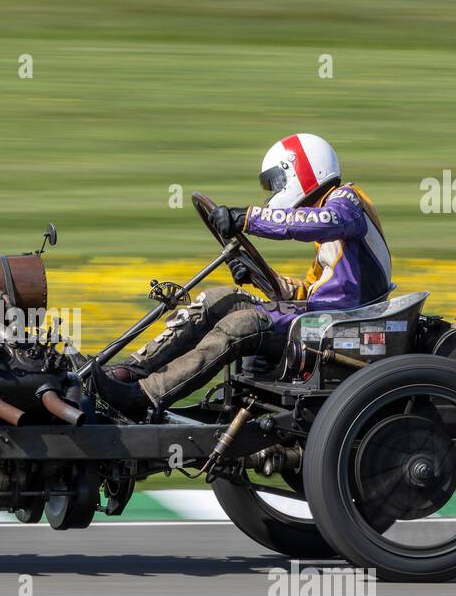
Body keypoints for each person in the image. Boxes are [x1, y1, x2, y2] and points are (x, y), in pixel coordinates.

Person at [94, 133, 391, 418]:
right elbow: (307, 293)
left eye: (277, 181)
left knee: (243, 324)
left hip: (342, 328)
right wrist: (255, 275)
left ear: (301, 170)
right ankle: (127, 372)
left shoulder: (346, 201)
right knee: (218, 299)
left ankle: (143, 397)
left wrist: (247, 218)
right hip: (319, 321)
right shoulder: (330, 235)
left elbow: (325, 222)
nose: (274, 192)